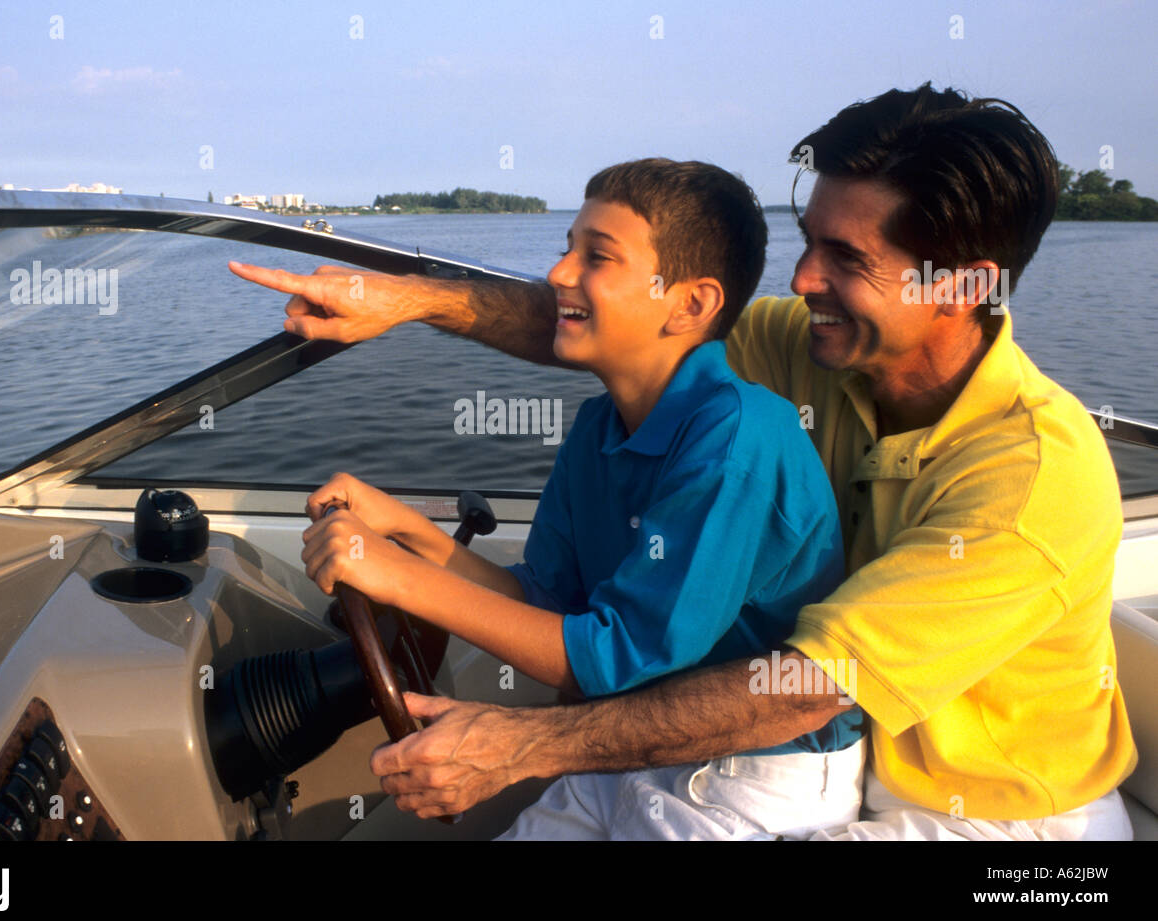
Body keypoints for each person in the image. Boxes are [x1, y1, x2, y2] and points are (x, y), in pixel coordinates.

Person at [229, 83, 1137, 840]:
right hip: (802, 767)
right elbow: (633, 336)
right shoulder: (815, 348)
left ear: (966, 285)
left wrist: (523, 743)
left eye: (846, 257)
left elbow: (800, 693)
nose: (804, 279)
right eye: (808, 238)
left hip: (1004, 828)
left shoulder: (1035, 479)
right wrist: (404, 300)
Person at [262, 158, 865, 840]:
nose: (558, 273)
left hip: (753, 782)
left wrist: (396, 576)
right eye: (566, 248)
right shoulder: (597, 430)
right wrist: (411, 535)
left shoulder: (739, 439)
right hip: (628, 751)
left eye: (597, 256)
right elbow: (547, 605)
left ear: (691, 303)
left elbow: (610, 658)